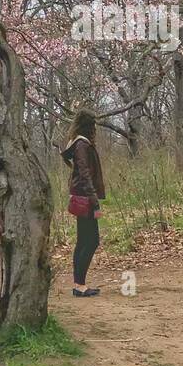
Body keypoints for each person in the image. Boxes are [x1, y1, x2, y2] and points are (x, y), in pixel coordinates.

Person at [60, 111, 105, 298]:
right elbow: (85, 174)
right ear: (88, 126)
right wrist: (94, 202)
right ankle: (79, 285)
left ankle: (79, 284)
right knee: (91, 240)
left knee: (84, 241)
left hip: (83, 197)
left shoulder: (80, 144)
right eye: (93, 125)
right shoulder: (81, 145)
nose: (95, 128)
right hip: (85, 198)